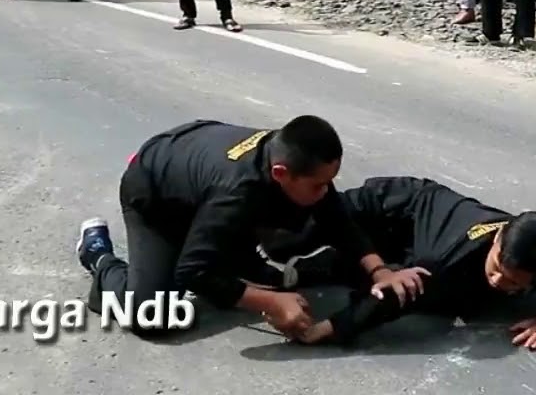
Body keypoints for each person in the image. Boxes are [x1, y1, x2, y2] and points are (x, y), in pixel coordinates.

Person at [74, 116, 423, 338]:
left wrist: (380, 272)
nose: (325, 190)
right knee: (152, 317)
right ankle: (99, 257)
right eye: (318, 184)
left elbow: (339, 219)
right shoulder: (239, 191)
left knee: (260, 277)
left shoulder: (290, 159)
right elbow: (192, 272)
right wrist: (270, 303)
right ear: (281, 174)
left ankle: (226, 257)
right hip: (155, 194)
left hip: (203, 186)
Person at [274, 176, 536, 349]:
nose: (499, 283)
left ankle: (328, 264)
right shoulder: (447, 263)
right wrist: (317, 332)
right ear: (497, 240)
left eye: (514, 283)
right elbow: (388, 301)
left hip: (425, 238)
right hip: (391, 207)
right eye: (497, 270)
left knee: (449, 300)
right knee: (292, 236)